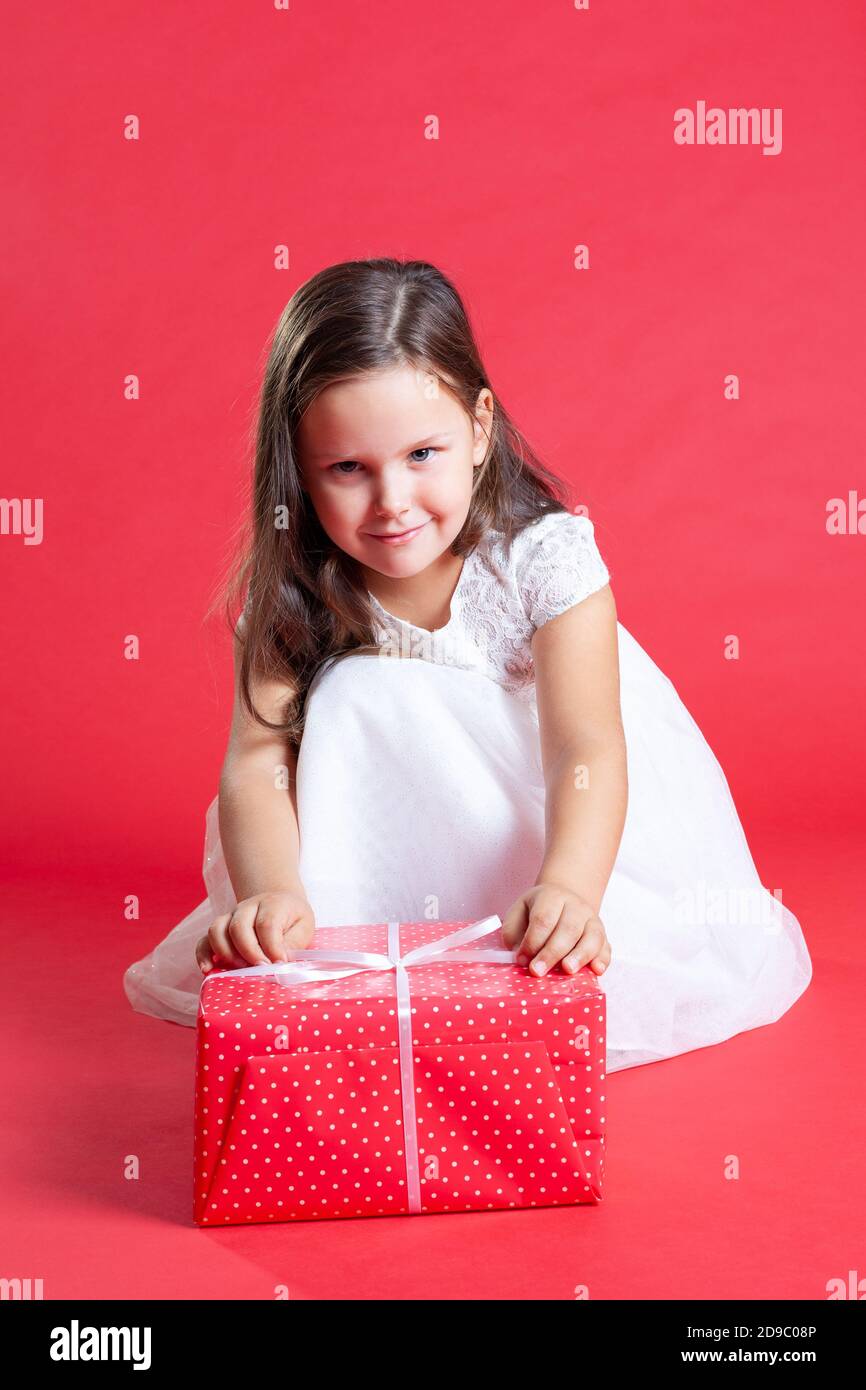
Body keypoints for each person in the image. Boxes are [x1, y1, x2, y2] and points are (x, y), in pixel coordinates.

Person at [123, 257, 812, 1074]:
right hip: (372, 855)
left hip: (538, 830)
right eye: (348, 469)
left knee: (397, 703)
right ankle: (361, 950)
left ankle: (518, 929)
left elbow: (583, 746)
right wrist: (274, 890)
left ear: (480, 429)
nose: (392, 502)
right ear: (299, 474)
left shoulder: (542, 561)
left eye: (422, 454)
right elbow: (256, 764)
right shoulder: (297, 592)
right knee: (357, 692)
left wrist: (572, 889)